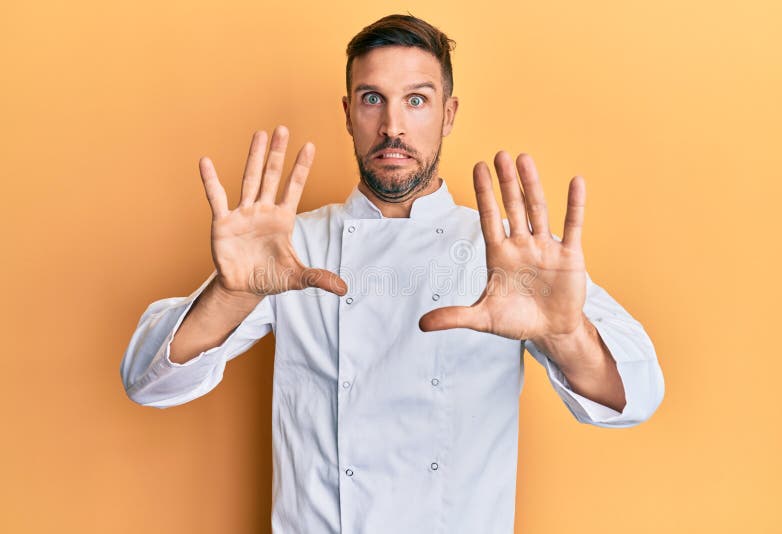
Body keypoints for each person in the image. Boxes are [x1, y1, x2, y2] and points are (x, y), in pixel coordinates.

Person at [120, 13, 665, 534]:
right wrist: (230, 296)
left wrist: (565, 336)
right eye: (372, 99)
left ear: (448, 114)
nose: (393, 126)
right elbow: (147, 381)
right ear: (348, 112)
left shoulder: (508, 253)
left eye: (417, 100)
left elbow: (637, 396)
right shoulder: (290, 248)